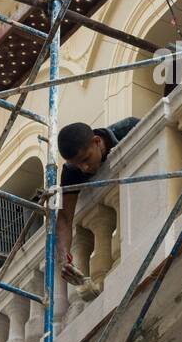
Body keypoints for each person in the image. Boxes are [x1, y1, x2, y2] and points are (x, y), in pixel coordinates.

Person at [53, 117, 139, 285]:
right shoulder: (71, 171)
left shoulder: (129, 128)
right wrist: (64, 258)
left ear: (97, 141)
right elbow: (64, 218)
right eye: (77, 165)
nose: (83, 168)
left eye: (85, 159)